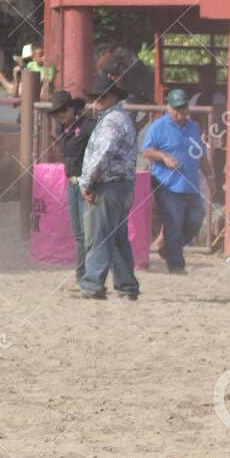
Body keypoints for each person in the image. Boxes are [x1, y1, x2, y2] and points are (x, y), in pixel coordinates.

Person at [77, 78, 140, 301]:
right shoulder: (121, 118)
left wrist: (86, 182)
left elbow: (102, 155)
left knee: (100, 235)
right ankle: (126, 285)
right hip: (123, 185)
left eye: (100, 96)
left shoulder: (111, 121)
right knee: (118, 237)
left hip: (109, 185)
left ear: (113, 96)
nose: (96, 101)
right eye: (94, 97)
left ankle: (93, 284)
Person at [140, 88, 210, 273]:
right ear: (168, 108)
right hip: (167, 186)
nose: (180, 113)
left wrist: (210, 176)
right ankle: (177, 265)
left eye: (183, 108)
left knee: (196, 220)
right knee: (173, 224)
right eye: (176, 109)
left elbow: (201, 153)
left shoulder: (193, 127)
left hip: (191, 184)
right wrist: (163, 156)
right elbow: (147, 151)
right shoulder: (158, 127)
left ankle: (168, 248)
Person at [49, 91, 94, 283]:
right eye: (57, 112)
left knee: (87, 233)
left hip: (87, 183)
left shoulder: (88, 127)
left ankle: (86, 273)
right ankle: (83, 272)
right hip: (72, 183)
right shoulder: (62, 130)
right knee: (79, 233)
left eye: (63, 110)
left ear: (74, 108)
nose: (60, 114)